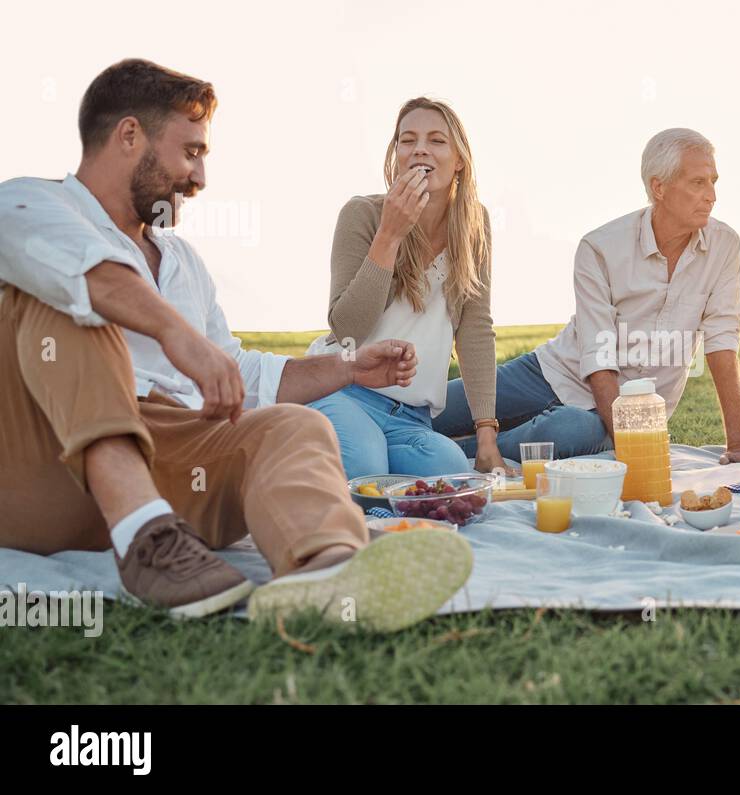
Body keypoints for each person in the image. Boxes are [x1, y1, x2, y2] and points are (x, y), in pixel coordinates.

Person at [0, 59, 471, 630]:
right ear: (129, 136)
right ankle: (144, 536)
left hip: (173, 464)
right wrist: (174, 334)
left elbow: (245, 375)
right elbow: (80, 269)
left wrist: (347, 368)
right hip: (44, 471)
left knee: (297, 426)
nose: (199, 180)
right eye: (191, 152)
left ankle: (325, 572)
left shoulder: (182, 261)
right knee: (63, 299)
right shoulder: (29, 203)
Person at [431, 128, 740, 465]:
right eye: (698, 182)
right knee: (431, 406)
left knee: (572, 432)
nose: (712, 195)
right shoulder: (601, 247)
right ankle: (414, 435)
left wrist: (738, 443)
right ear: (659, 187)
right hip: (550, 371)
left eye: (713, 181)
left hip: (617, 413)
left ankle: (448, 454)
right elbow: (599, 356)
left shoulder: (724, 246)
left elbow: (722, 343)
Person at [307, 97, 506, 479]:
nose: (419, 149)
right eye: (407, 140)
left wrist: (486, 437)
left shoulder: (474, 225)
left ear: (460, 159)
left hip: (412, 417)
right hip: (344, 390)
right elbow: (347, 331)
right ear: (395, 154)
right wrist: (390, 234)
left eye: (436, 140)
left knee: (449, 469)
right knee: (367, 470)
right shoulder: (362, 214)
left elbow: (476, 328)